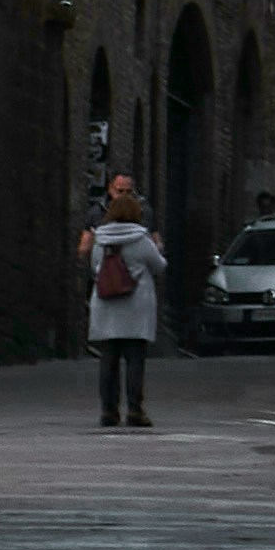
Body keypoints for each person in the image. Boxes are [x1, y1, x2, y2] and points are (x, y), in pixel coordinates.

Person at [82, 169, 162, 428]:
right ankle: (135, 410)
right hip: (137, 306)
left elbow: (95, 268)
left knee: (108, 360)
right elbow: (159, 266)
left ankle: (108, 411)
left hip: (106, 304)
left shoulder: (101, 239)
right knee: (135, 360)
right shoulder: (141, 239)